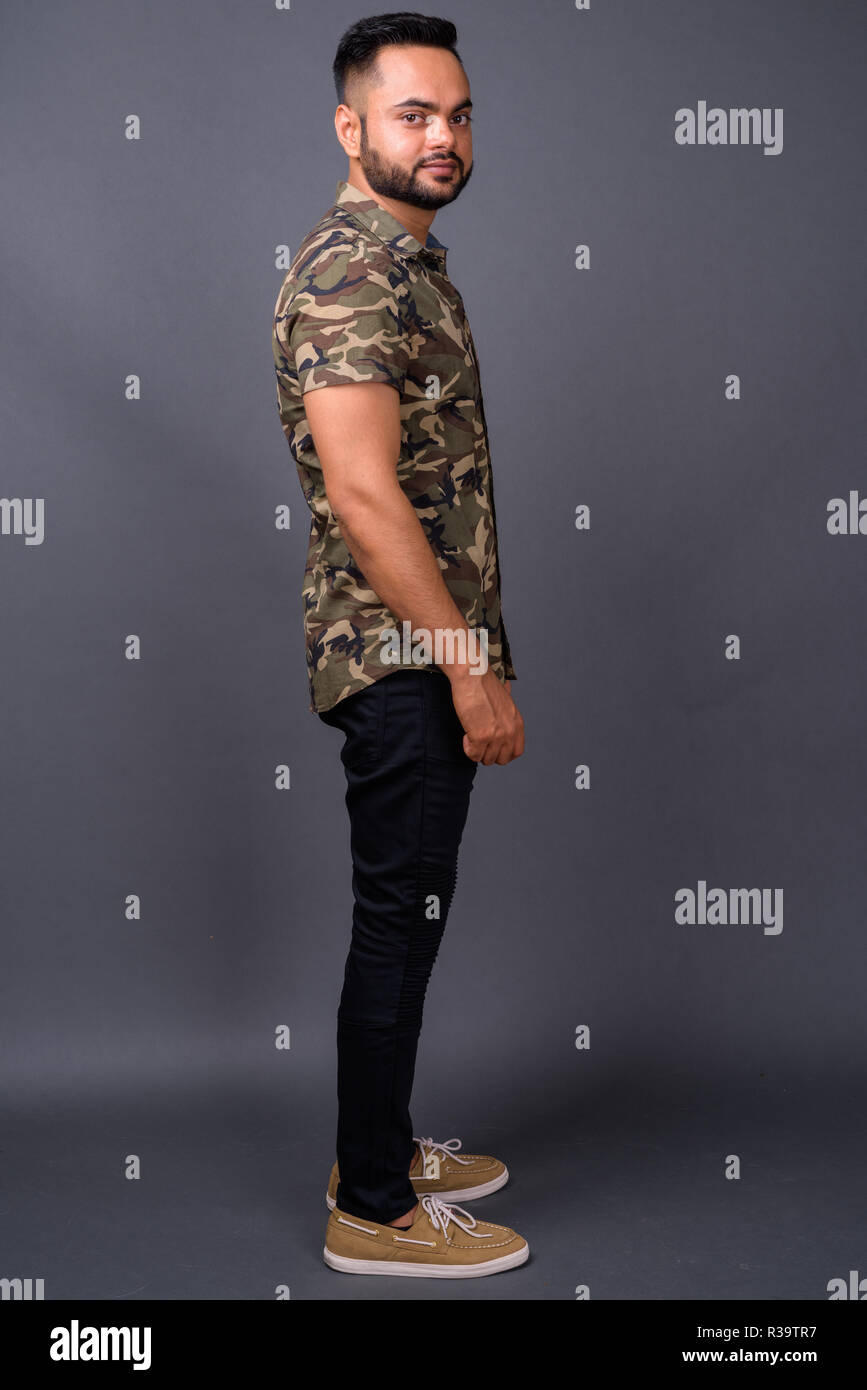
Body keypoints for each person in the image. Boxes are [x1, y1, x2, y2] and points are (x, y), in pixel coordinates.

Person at [272, 11, 527, 1279]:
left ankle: (378, 1139)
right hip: (403, 660)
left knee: (406, 920)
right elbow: (367, 494)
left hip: (414, 651)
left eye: (459, 113)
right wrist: (469, 667)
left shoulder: (409, 263)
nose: (444, 137)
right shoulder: (350, 271)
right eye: (416, 114)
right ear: (351, 125)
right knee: (398, 922)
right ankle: (372, 1208)